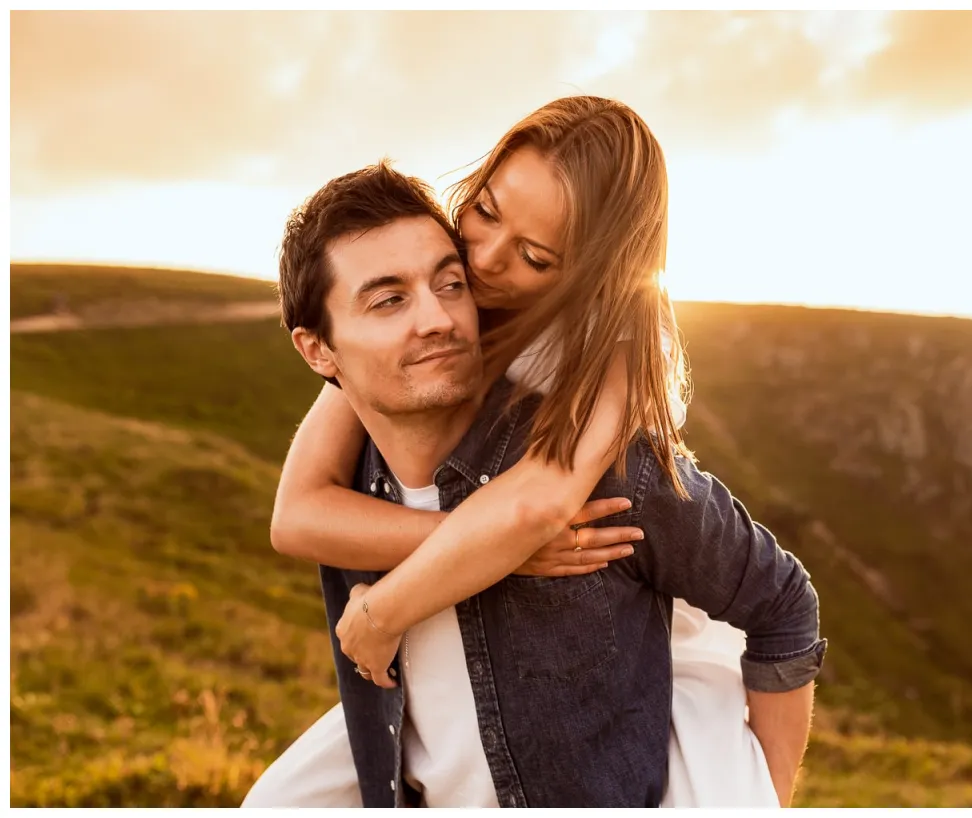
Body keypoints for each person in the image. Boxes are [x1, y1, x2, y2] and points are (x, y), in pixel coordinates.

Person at [244, 97, 826, 808]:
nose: (483, 261)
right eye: (486, 211)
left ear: (592, 274)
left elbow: (541, 505)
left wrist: (384, 610)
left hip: (637, 669)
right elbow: (298, 513)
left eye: (534, 256)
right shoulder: (414, 324)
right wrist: (495, 550)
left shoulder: (616, 354)